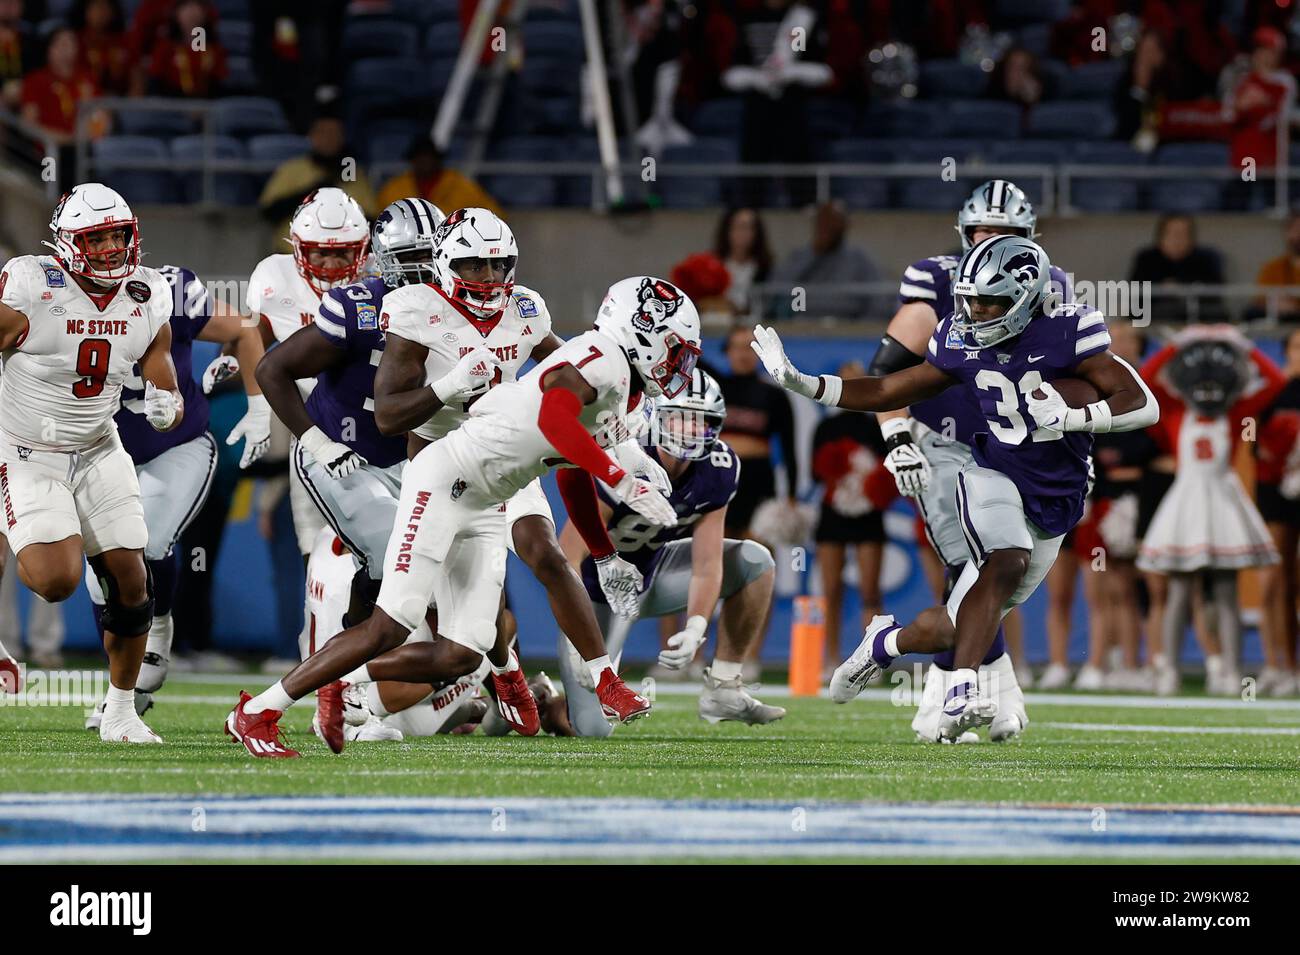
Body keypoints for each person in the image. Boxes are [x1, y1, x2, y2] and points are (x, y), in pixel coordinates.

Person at [222, 273, 699, 757]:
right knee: (392, 623)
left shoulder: (621, 386)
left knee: (460, 655)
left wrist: (602, 552)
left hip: (490, 497)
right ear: (642, 331)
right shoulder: (598, 364)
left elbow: (571, 469)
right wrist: (618, 476)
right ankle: (258, 711)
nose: (679, 363)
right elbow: (554, 419)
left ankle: (600, 682)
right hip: (445, 481)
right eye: (676, 349)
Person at [752, 234, 1159, 741]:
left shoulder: (1067, 331)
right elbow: (885, 388)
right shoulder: (959, 336)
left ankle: (885, 645)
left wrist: (1080, 416)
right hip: (991, 473)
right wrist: (803, 382)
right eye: (969, 298)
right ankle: (962, 688)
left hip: (1056, 495)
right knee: (1004, 559)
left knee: (955, 623)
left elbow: (1143, 403)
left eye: (990, 300)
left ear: (1027, 298)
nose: (975, 310)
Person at [869, 179, 1068, 739]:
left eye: (1007, 234)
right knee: (972, 563)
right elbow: (886, 369)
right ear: (964, 232)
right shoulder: (934, 278)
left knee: (998, 567)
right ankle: (956, 694)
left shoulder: (1051, 286)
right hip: (943, 439)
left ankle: (969, 689)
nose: (994, 243)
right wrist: (897, 436)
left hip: (1011, 445)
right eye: (984, 231)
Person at [0, 182, 188, 743]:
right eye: (95, 237)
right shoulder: (31, 286)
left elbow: (161, 368)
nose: (109, 248)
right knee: (56, 580)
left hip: (100, 447)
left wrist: (166, 405)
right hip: (28, 449)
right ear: (67, 244)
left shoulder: (148, 292)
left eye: (117, 235)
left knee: (133, 584)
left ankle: (121, 711)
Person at [83, 262, 270, 729]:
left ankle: (159, 626)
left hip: (178, 444)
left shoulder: (165, 291)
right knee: (97, 572)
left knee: (145, 544)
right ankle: (122, 686)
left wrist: (259, 409)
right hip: (104, 451)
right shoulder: (57, 302)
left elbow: (246, 328)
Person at [555, 369, 784, 736]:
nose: (691, 430)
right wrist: (578, 640)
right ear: (657, 416)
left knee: (756, 560)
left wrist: (696, 627)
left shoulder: (719, 468)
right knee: (593, 731)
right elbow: (567, 556)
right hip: (595, 594)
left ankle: (724, 687)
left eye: (702, 421)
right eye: (682, 417)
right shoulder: (625, 455)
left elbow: (707, 566)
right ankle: (542, 697)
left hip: (653, 575)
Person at [1137, 326, 1285, 695]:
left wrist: (1246, 347)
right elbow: (1144, 381)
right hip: (1187, 503)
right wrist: (1174, 347)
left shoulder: (1235, 414)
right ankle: (1168, 668)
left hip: (1221, 502)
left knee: (1225, 591)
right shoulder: (1174, 412)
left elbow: (1276, 382)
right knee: (1180, 590)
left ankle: (1231, 672)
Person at [248, 187, 370, 563]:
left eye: (342, 254)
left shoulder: (385, 283)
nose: (332, 266)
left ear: (364, 250)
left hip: (377, 427)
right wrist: (233, 366)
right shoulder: (274, 276)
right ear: (299, 248)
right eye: (322, 252)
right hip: (310, 429)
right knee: (315, 549)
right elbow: (251, 341)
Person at [810, 359, 893, 670]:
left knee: (870, 591)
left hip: (869, 515)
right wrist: (842, 478)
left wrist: (870, 485)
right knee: (831, 590)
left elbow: (891, 473)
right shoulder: (827, 427)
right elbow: (815, 473)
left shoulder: (878, 425)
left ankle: (870, 661)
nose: (853, 382)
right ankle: (830, 659)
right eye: (847, 378)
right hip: (833, 513)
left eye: (859, 377)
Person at [707, 324, 798, 541]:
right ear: (727, 351)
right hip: (717, 476)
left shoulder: (774, 395)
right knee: (717, 552)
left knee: (757, 553)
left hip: (758, 481)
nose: (743, 354)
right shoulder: (712, 389)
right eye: (736, 347)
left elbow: (788, 447)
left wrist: (792, 495)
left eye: (749, 348)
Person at [1257, 327, 1300, 696]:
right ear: (1286, 352)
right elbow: (1249, 435)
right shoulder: (1274, 392)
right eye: (1298, 346)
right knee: (1275, 579)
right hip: (1276, 493)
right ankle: (1279, 664)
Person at [258, 116, 378, 250]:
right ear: (311, 136)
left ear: (343, 137)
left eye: (335, 133)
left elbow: (370, 221)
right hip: (293, 257)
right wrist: (319, 189)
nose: (328, 138)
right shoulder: (292, 169)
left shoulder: (351, 172)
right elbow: (271, 212)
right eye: (322, 132)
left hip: (343, 259)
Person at [769, 201, 883, 319]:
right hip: (803, 324)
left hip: (848, 326)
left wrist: (863, 327)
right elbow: (775, 290)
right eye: (823, 222)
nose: (828, 227)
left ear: (844, 226)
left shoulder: (859, 259)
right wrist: (814, 253)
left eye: (833, 222)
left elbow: (879, 299)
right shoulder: (799, 256)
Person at [1128, 214, 1226, 324]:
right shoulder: (1146, 259)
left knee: (1216, 314)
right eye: (1173, 234)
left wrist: (1184, 289)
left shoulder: (1206, 259)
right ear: (1160, 236)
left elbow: (1215, 291)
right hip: (1155, 310)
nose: (1177, 239)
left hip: (1197, 312)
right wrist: (1162, 289)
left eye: (1183, 234)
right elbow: (1134, 292)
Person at [375, 138, 502, 219]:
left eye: (428, 157)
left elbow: (494, 215)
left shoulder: (459, 184)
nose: (424, 161)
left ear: (438, 160)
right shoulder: (395, 188)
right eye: (419, 157)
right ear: (412, 161)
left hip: (453, 245)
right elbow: (380, 220)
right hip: (408, 246)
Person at [145, 0, 226, 97]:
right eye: (186, 6)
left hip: (207, 105)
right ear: (176, 13)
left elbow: (219, 84)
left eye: (197, 5)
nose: (191, 12)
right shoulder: (165, 48)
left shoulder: (214, 50)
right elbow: (155, 83)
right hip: (171, 104)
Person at [713, 207, 772, 317]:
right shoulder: (712, 266)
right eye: (739, 227)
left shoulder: (766, 268)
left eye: (749, 228)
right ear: (727, 230)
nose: (743, 233)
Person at [73, 0, 133, 96]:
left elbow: (134, 68)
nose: (101, 13)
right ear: (87, 11)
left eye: (105, 8)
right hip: (89, 97)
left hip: (122, 97)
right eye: (97, 8)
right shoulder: (77, 40)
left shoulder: (123, 40)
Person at [1249, 211, 1300, 323]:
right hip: (1284, 325)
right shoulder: (1273, 268)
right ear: (1288, 233)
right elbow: (1260, 301)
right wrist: (1273, 304)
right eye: (1296, 230)